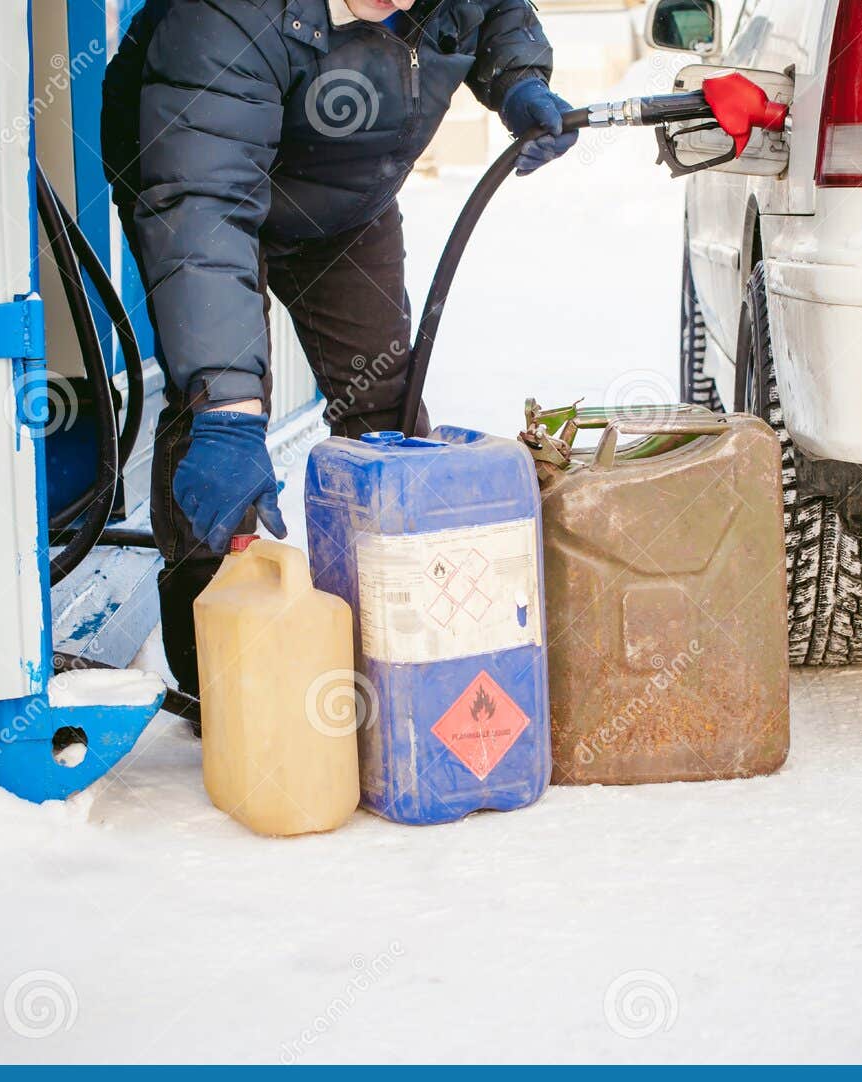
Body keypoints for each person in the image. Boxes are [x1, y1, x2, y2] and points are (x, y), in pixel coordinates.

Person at [102, 0, 576, 701]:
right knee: (219, 412)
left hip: (347, 193)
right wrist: (228, 409)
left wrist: (518, 81)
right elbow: (203, 208)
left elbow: (496, 9)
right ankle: (221, 678)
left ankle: (396, 652)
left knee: (386, 405)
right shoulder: (228, 16)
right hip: (201, 180)